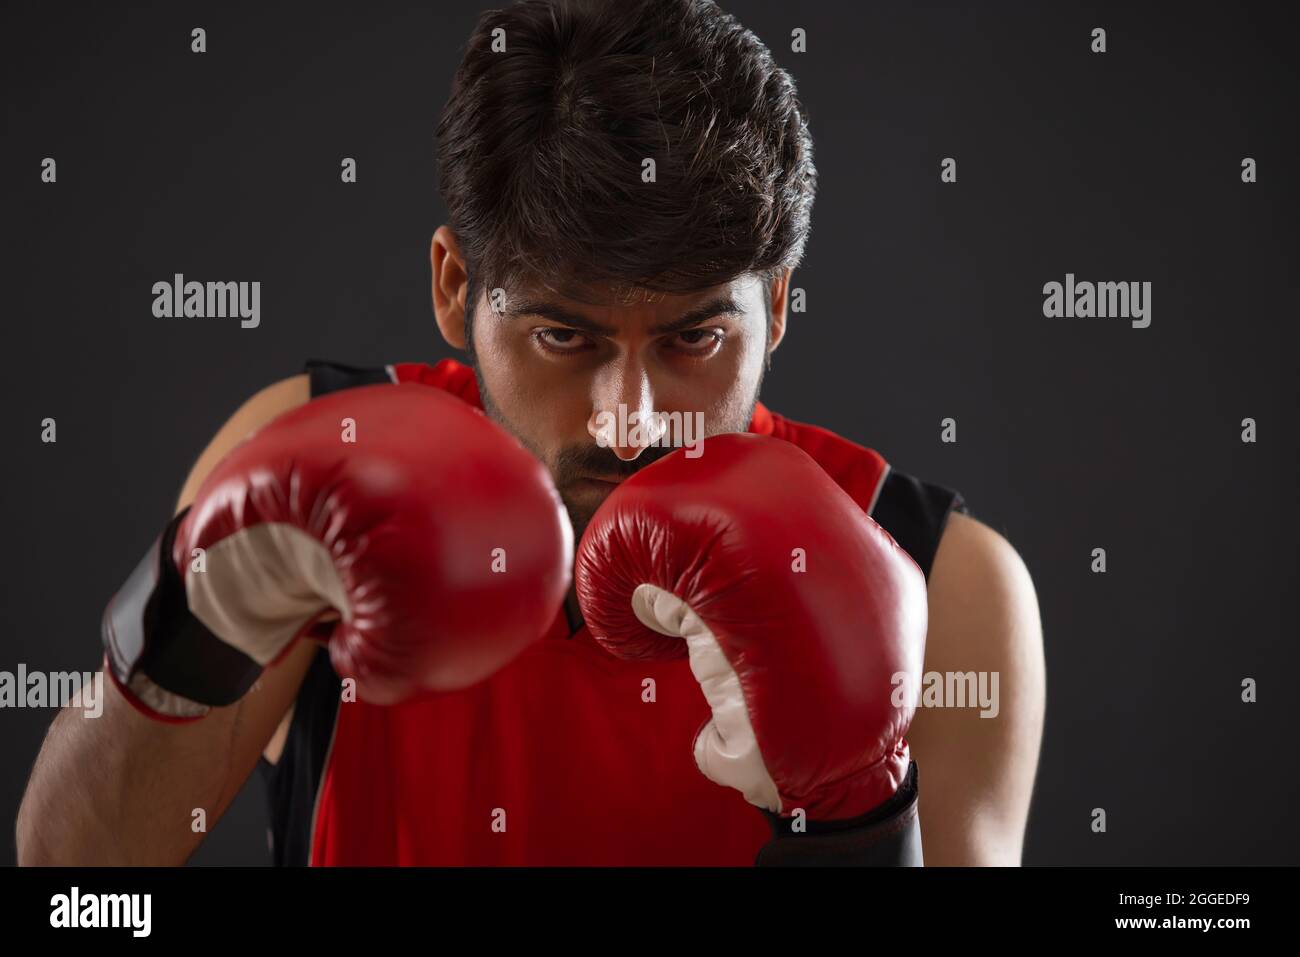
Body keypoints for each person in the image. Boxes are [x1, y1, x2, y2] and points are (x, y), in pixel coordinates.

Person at [16, 0, 1044, 866]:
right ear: (454, 285)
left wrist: (857, 815)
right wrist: (203, 623)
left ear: (775, 307)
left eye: (693, 336)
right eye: (564, 334)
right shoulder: (305, 446)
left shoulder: (942, 578)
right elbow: (76, 883)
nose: (629, 416)